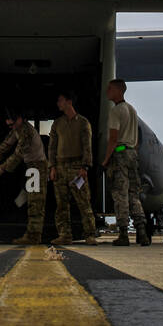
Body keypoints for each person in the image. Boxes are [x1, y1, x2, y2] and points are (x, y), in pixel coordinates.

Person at [0, 110, 48, 245]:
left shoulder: (25, 131)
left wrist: (2, 168)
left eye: (12, 121)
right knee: (26, 199)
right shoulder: (17, 129)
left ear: (20, 119)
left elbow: (18, 154)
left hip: (36, 167)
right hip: (30, 167)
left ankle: (33, 236)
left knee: (35, 202)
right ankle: (32, 234)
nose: (10, 125)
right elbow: (5, 146)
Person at [47, 92, 97, 246]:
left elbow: (87, 146)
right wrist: (52, 167)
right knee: (61, 204)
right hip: (60, 168)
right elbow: (52, 147)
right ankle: (64, 235)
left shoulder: (83, 123)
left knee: (83, 202)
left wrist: (85, 167)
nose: (58, 103)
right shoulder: (57, 123)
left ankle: (90, 235)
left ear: (69, 102)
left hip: (77, 168)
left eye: (60, 100)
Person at [103, 78, 148, 246]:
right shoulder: (132, 110)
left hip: (120, 154)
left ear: (117, 91)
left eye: (110, 89)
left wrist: (106, 160)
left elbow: (113, 139)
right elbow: (135, 142)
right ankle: (142, 232)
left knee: (120, 194)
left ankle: (123, 233)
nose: (107, 92)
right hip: (132, 154)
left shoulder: (116, 112)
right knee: (133, 194)